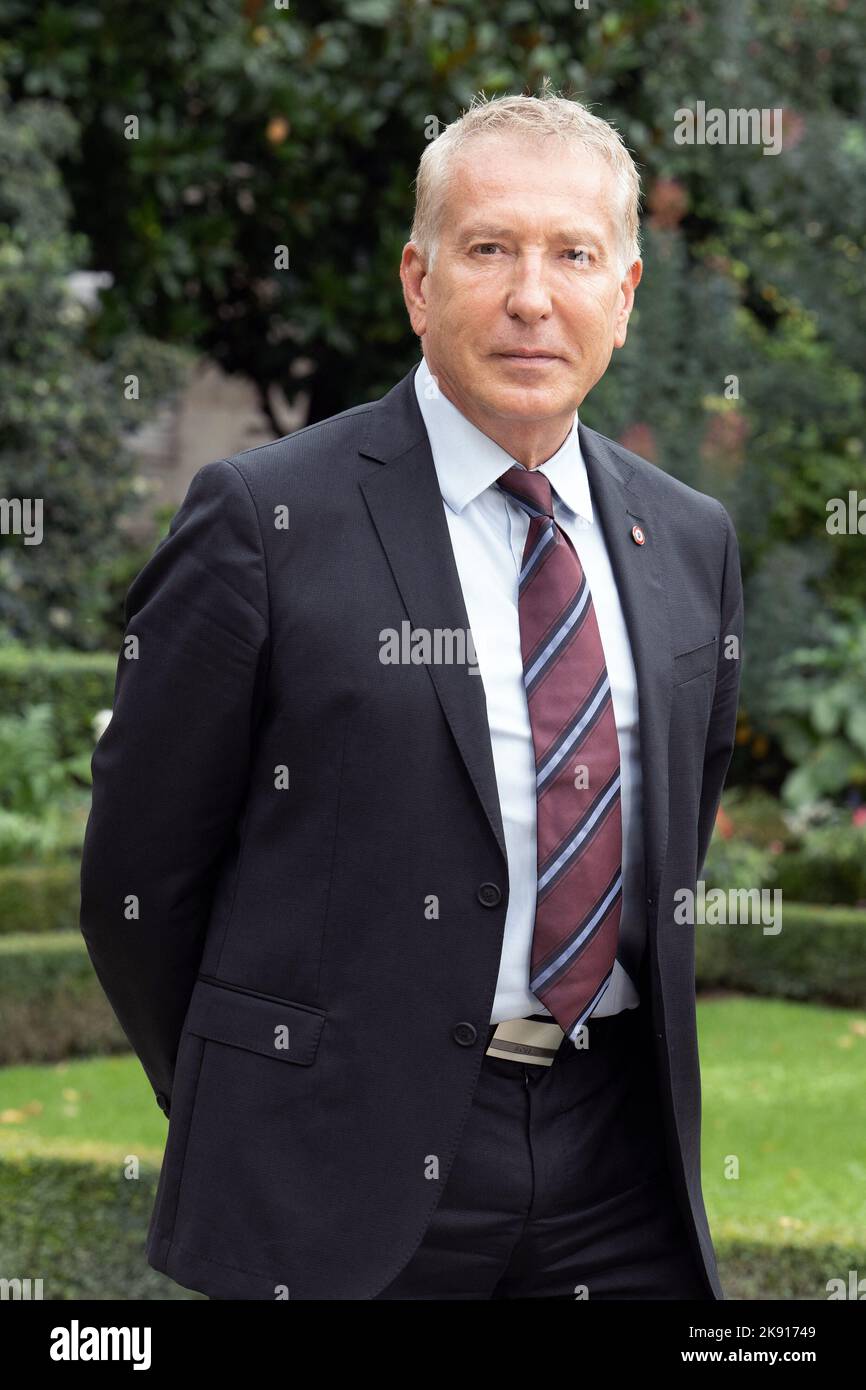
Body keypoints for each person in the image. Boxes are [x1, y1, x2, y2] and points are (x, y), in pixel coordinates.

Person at [79, 89, 743, 1300]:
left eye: (572, 255)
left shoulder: (688, 539)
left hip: (618, 1173)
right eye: (488, 248)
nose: (531, 296)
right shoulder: (263, 519)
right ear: (417, 280)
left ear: (625, 294)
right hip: (337, 1172)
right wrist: (265, 1091)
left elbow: (670, 840)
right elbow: (137, 883)